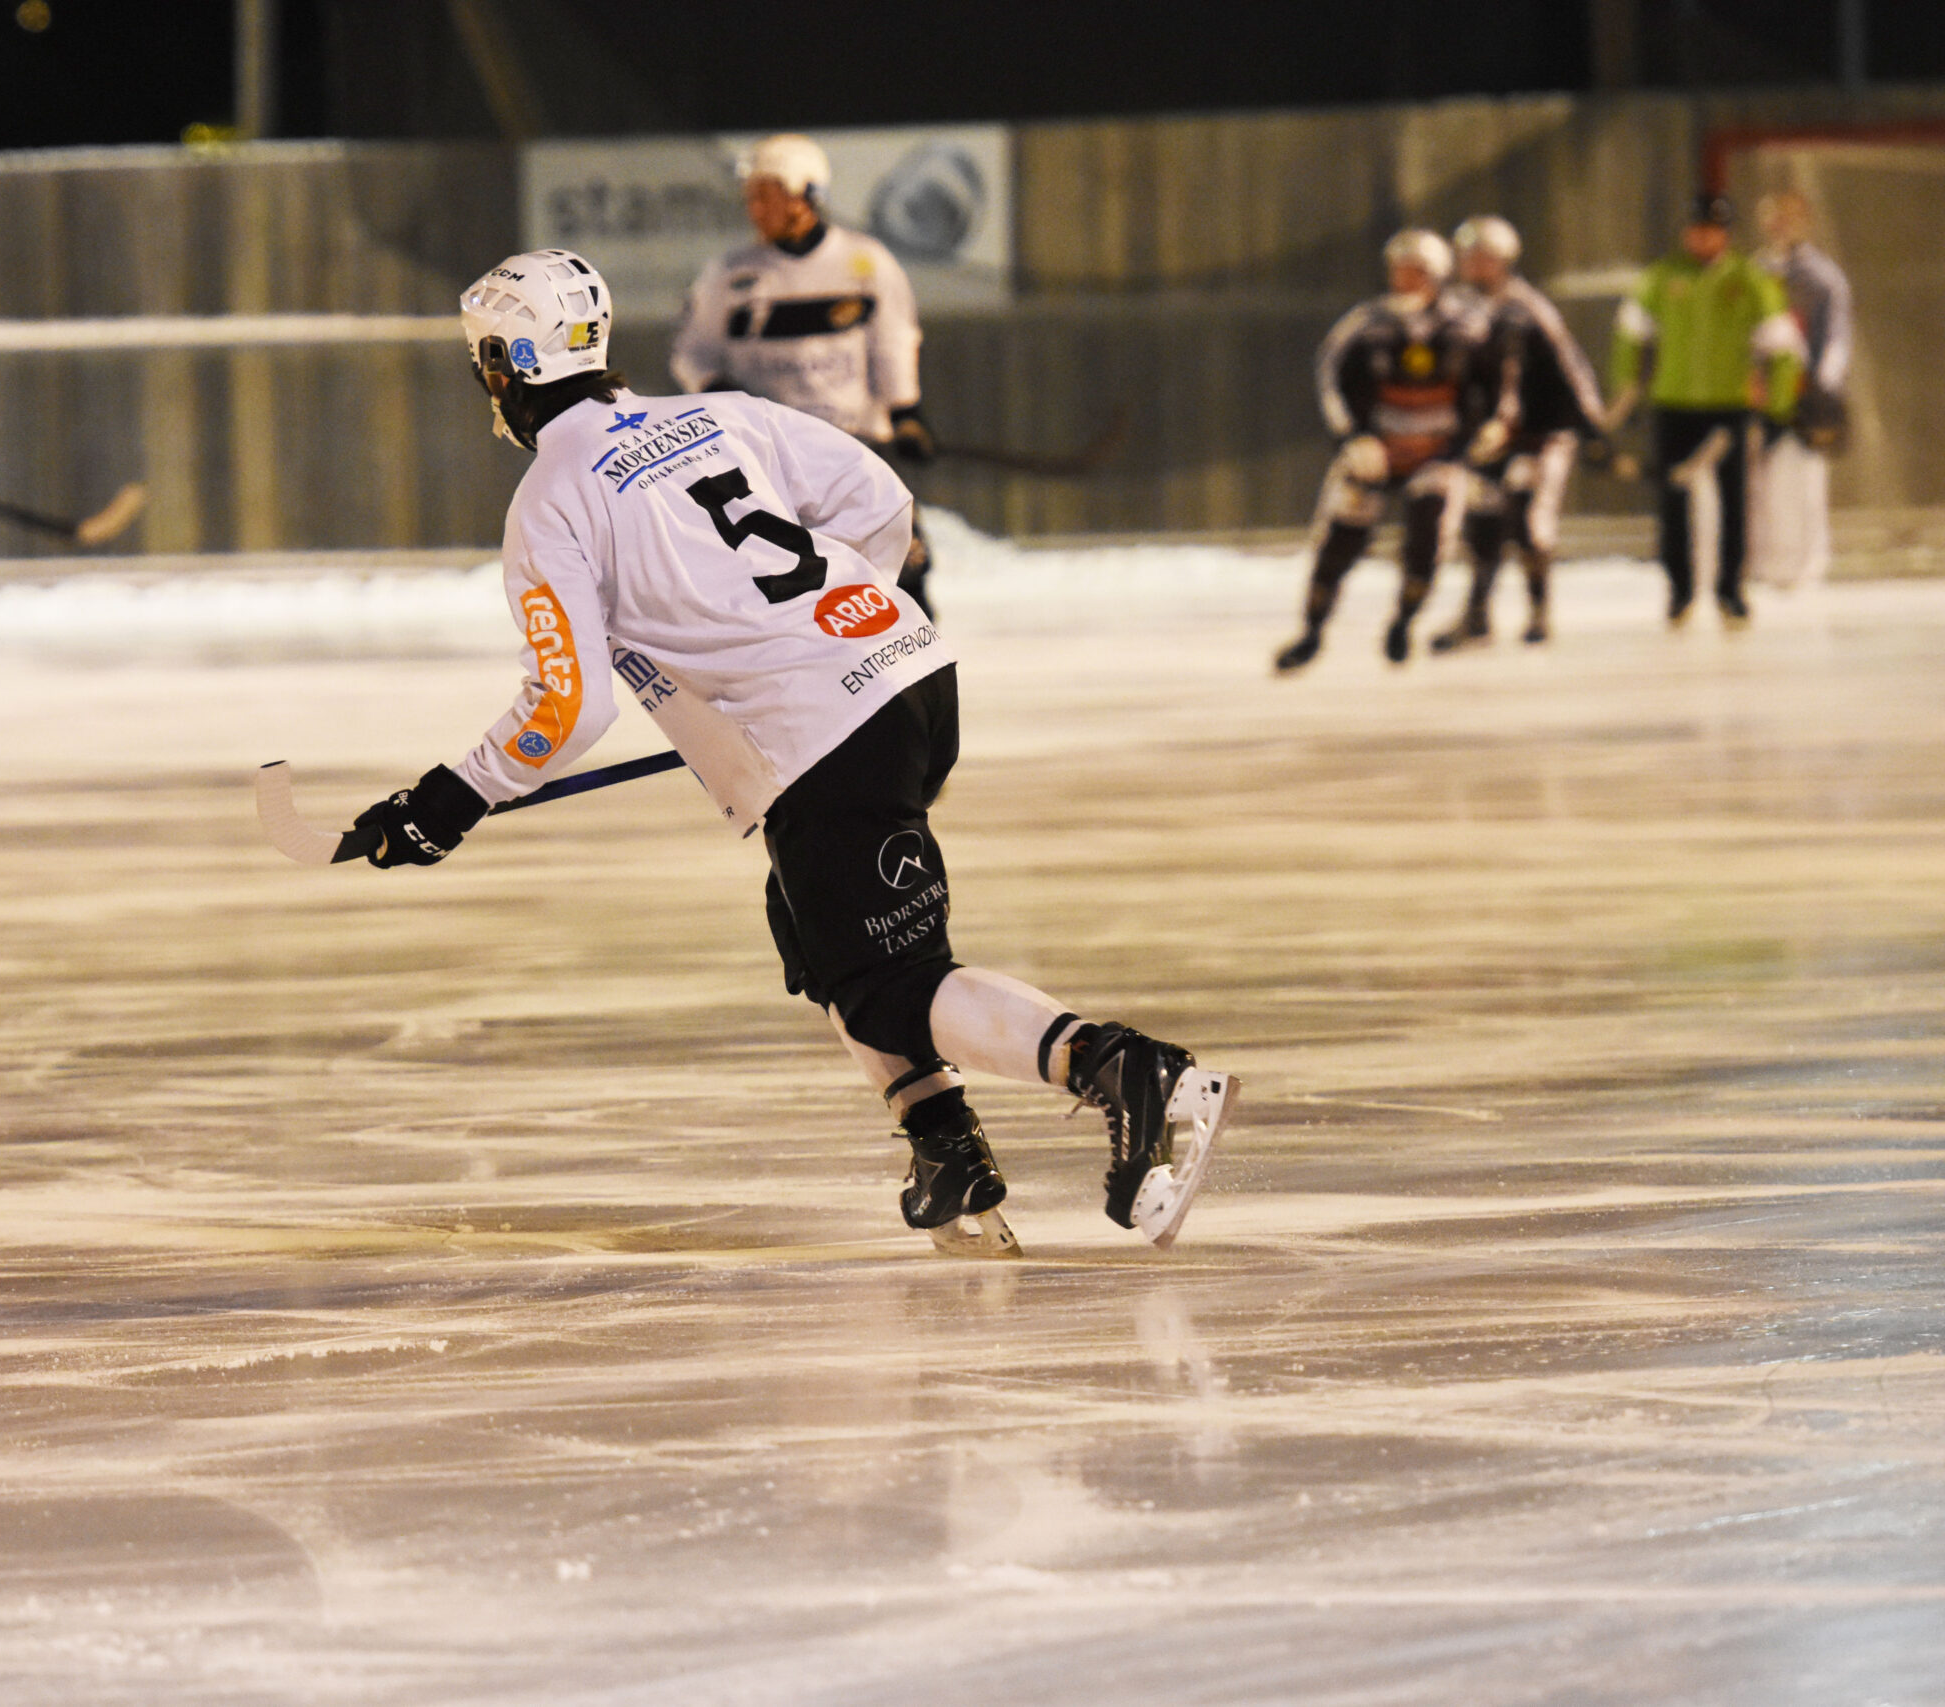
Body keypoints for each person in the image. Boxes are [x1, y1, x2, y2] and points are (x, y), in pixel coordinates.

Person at [340, 248, 1238, 1258]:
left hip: (827, 731)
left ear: (505, 365)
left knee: (891, 982)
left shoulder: (551, 499)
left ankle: (1121, 1069)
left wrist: (447, 800)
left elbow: (570, 702)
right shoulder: (718, 415)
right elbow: (882, 505)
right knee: (818, 930)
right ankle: (943, 1146)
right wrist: (834, 632)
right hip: (908, 678)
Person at [670, 134, 942, 618]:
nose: (753, 207)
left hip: (856, 445)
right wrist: (719, 394)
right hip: (773, 459)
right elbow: (692, 353)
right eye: (750, 195)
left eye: (765, 194)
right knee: (794, 578)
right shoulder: (730, 274)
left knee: (904, 564)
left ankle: (916, 664)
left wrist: (905, 413)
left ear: (805, 193)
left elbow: (893, 340)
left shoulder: (865, 262)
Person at [1275, 229, 1512, 674]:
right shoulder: (1366, 325)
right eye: (1399, 270)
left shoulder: (1467, 326)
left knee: (1429, 536)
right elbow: (1330, 378)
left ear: (1439, 275)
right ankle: (1312, 630)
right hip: (1376, 451)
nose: (1407, 280)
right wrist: (1351, 437)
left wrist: (1495, 422)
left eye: (1418, 271)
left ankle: (1404, 620)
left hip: (1437, 452)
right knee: (1340, 540)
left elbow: (1499, 378)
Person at [1606, 193, 1801, 629]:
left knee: (1735, 503)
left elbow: (1782, 346)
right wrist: (1628, 391)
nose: (1701, 238)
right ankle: (1680, 591)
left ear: (1725, 234)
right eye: (1695, 230)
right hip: (1674, 404)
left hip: (1728, 406)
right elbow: (1630, 334)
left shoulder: (1750, 281)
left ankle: (1730, 590)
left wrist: (1777, 408)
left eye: (1710, 230)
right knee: (1673, 501)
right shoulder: (1662, 277)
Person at [1429, 216, 1607, 651]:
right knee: (1484, 523)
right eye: (1468, 256)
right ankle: (1477, 615)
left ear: (1504, 259)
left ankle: (1538, 610)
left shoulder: (1529, 310)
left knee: (1530, 521)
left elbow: (1570, 368)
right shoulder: (1453, 310)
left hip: (1537, 436)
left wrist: (1591, 427)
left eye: (1483, 257)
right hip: (1487, 440)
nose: (1474, 265)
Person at [1750, 190, 1854, 589]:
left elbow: (1837, 334)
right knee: (1759, 482)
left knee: (1807, 480)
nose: (1780, 224)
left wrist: (1825, 382)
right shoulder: (1756, 271)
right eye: (1773, 216)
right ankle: (1761, 560)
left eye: (1788, 217)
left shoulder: (1821, 276)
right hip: (1764, 392)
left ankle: (1811, 562)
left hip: (1805, 391)